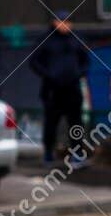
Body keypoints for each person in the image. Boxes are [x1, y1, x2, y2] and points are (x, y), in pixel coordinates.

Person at [31, 9, 90, 165]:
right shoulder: (46, 40)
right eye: (62, 21)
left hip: (73, 88)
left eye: (68, 22)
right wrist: (49, 75)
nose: (65, 25)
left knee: (76, 123)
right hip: (52, 90)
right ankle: (48, 153)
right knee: (51, 122)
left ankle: (77, 153)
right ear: (55, 22)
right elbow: (34, 62)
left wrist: (79, 73)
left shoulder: (77, 39)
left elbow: (86, 61)